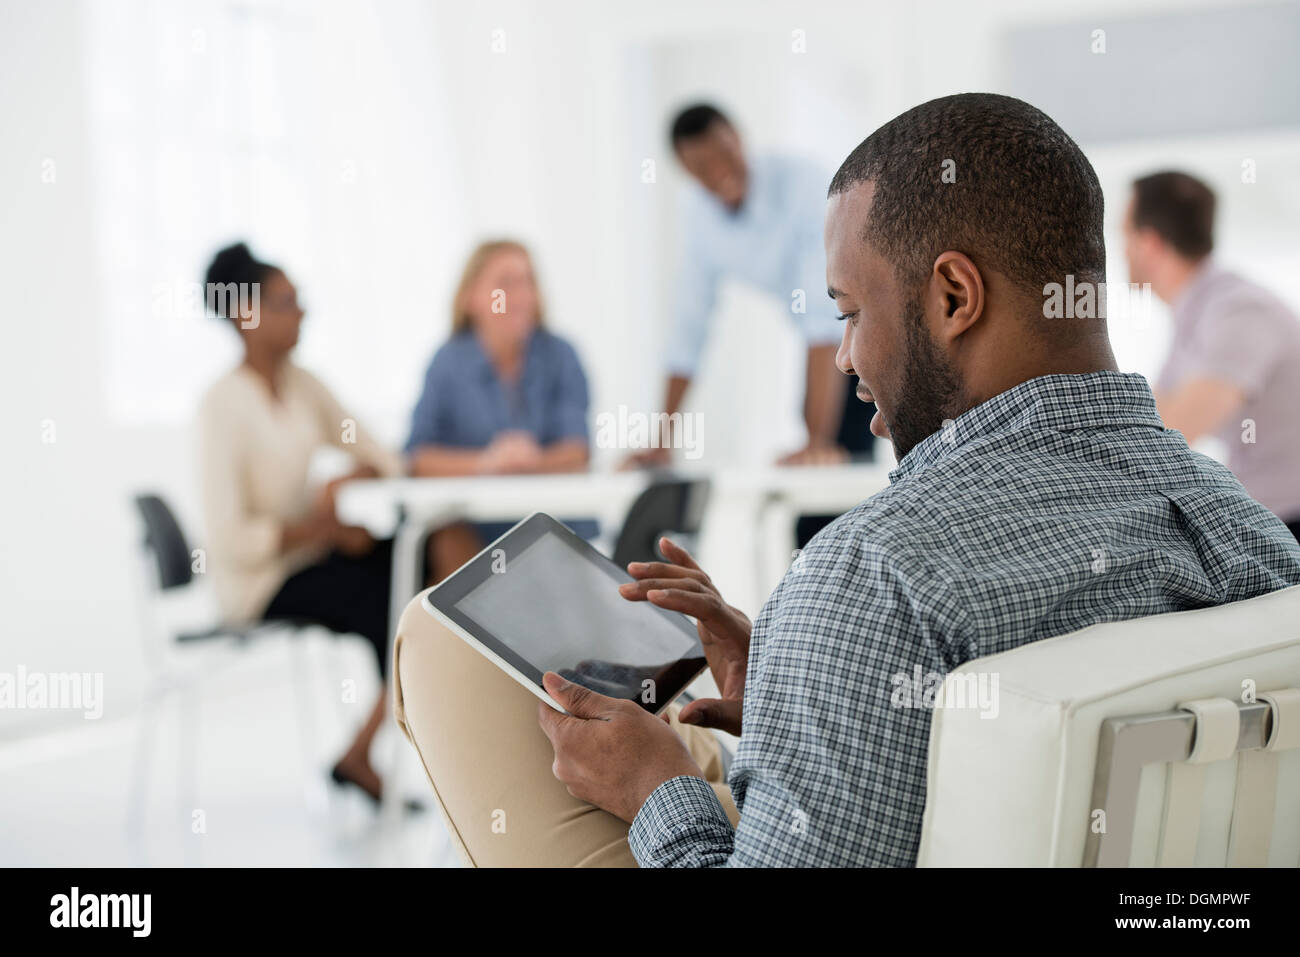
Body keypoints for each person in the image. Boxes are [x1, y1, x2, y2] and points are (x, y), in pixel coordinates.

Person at [391, 94, 1300, 867]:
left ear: (953, 297)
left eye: (850, 311)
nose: (848, 357)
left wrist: (659, 789)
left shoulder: (872, 580)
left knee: (439, 640)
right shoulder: (1253, 535)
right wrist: (800, 687)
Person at [197, 242, 403, 805]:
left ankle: (362, 750)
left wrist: (349, 478)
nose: (301, 311)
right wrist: (326, 530)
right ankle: (367, 750)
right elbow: (231, 541)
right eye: (286, 301)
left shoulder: (302, 385)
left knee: (420, 561)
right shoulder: (221, 404)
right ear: (246, 313)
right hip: (260, 584)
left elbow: (382, 452)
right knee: (400, 597)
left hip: (310, 559)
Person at [626, 103, 878, 546]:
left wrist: (817, 439)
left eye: (723, 153)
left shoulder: (800, 185)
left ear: (738, 137)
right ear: (686, 171)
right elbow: (689, 331)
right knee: (814, 511)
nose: (719, 171)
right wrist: (661, 441)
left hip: (874, 318)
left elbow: (821, 317)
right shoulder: (701, 217)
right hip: (840, 328)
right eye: (701, 166)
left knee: (832, 490)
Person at [1123, 171, 1300, 538]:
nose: (1120, 250)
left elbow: (1170, 435)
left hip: (1289, 522)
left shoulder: (1239, 311)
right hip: (1270, 516)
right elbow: (1152, 421)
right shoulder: (1196, 311)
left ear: (1151, 244)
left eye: (1124, 235)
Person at [406, 240, 595, 580]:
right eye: (506, 283)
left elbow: (576, 451)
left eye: (528, 282)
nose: (522, 295)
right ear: (470, 297)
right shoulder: (447, 364)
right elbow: (418, 459)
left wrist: (532, 461)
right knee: (448, 541)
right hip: (478, 535)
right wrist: (487, 463)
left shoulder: (560, 355)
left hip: (557, 526)